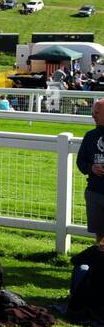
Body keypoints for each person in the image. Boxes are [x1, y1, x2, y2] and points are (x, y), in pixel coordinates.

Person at [76, 98, 104, 235]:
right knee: (99, 233)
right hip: (95, 193)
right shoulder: (90, 136)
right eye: (93, 112)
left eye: (96, 112)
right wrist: (91, 168)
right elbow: (80, 162)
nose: (93, 116)